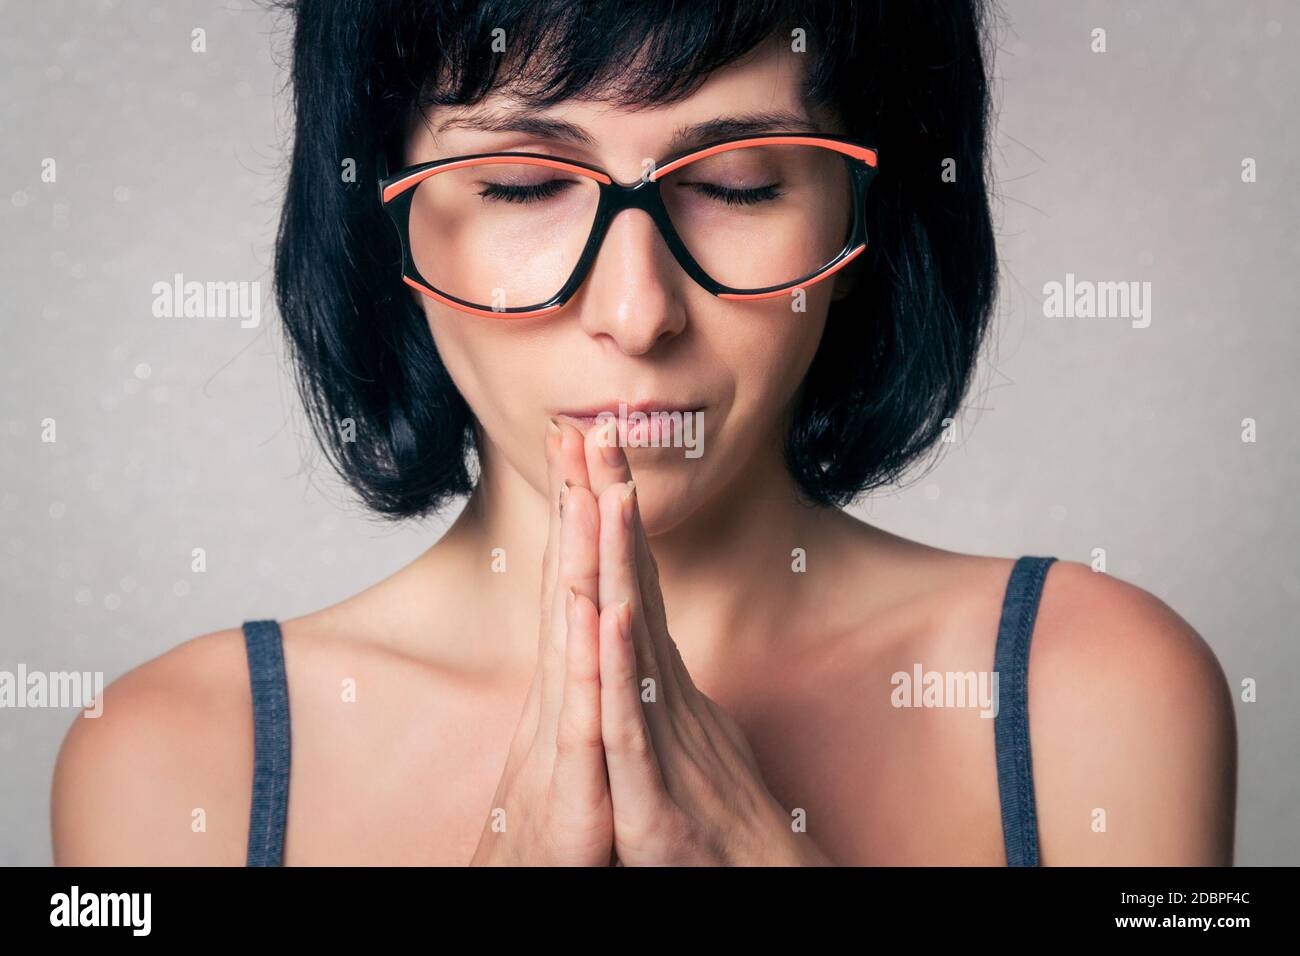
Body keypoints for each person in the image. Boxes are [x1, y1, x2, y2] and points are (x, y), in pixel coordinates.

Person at [52, 0, 1236, 866]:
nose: (636, 310)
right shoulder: (175, 761)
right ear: (381, 223)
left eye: (738, 184)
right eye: (521, 186)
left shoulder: (1091, 693)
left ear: (869, 214)